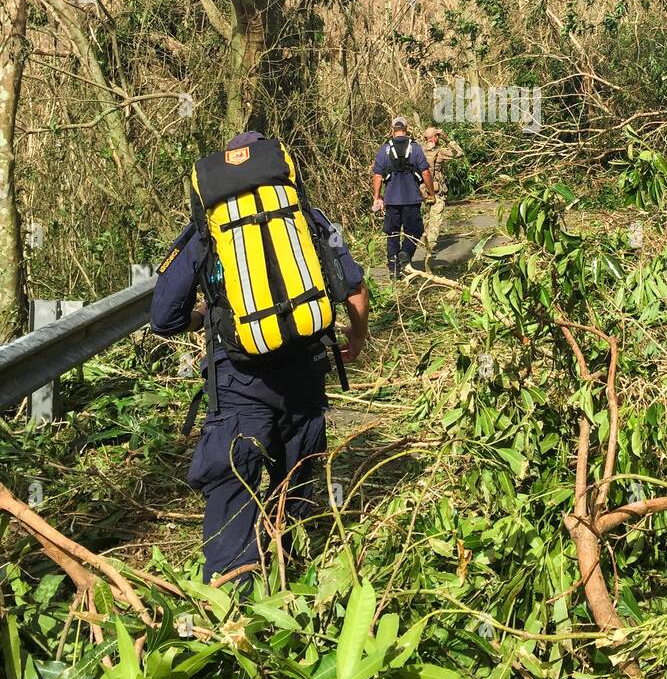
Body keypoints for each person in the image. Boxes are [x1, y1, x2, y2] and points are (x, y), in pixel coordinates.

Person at [150, 131, 368, 584]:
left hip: (238, 383)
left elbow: (164, 317)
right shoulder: (303, 214)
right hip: (305, 374)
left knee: (234, 490)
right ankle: (294, 576)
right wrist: (357, 340)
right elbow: (354, 288)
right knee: (298, 485)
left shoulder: (208, 227)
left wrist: (208, 316)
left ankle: (235, 602)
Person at [371, 116, 434, 278]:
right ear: (406, 129)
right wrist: (431, 193)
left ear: (392, 130)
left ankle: (394, 269)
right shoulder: (415, 148)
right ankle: (405, 253)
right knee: (415, 230)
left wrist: (377, 198)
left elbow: (378, 175)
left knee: (392, 233)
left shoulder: (384, 150)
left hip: (391, 199)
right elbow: (426, 172)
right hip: (411, 198)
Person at [419, 126, 464, 267]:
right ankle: (429, 250)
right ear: (434, 137)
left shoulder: (418, 151)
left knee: (426, 219)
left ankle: (423, 242)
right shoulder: (440, 152)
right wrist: (447, 138)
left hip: (421, 191)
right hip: (437, 191)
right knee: (435, 221)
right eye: (437, 136)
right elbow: (459, 153)